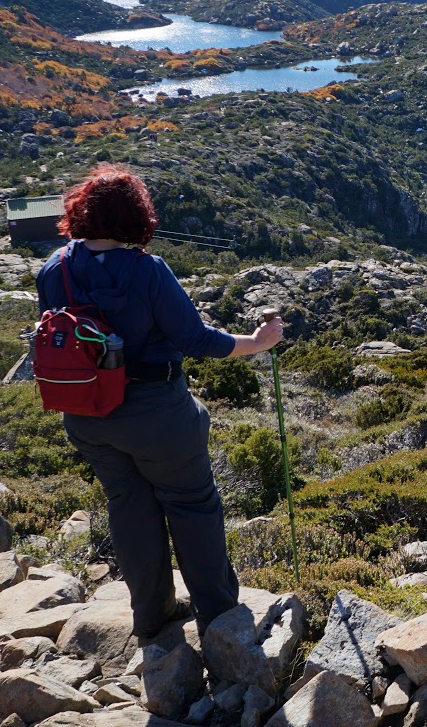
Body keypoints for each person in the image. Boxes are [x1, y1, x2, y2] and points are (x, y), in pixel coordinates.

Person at [35, 165, 283, 639]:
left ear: (79, 213)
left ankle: (151, 619)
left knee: (128, 505)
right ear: (137, 216)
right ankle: (217, 620)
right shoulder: (147, 270)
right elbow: (195, 339)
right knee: (192, 506)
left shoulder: (55, 267)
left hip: (86, 415)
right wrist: (258, 341)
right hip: (157, 414)